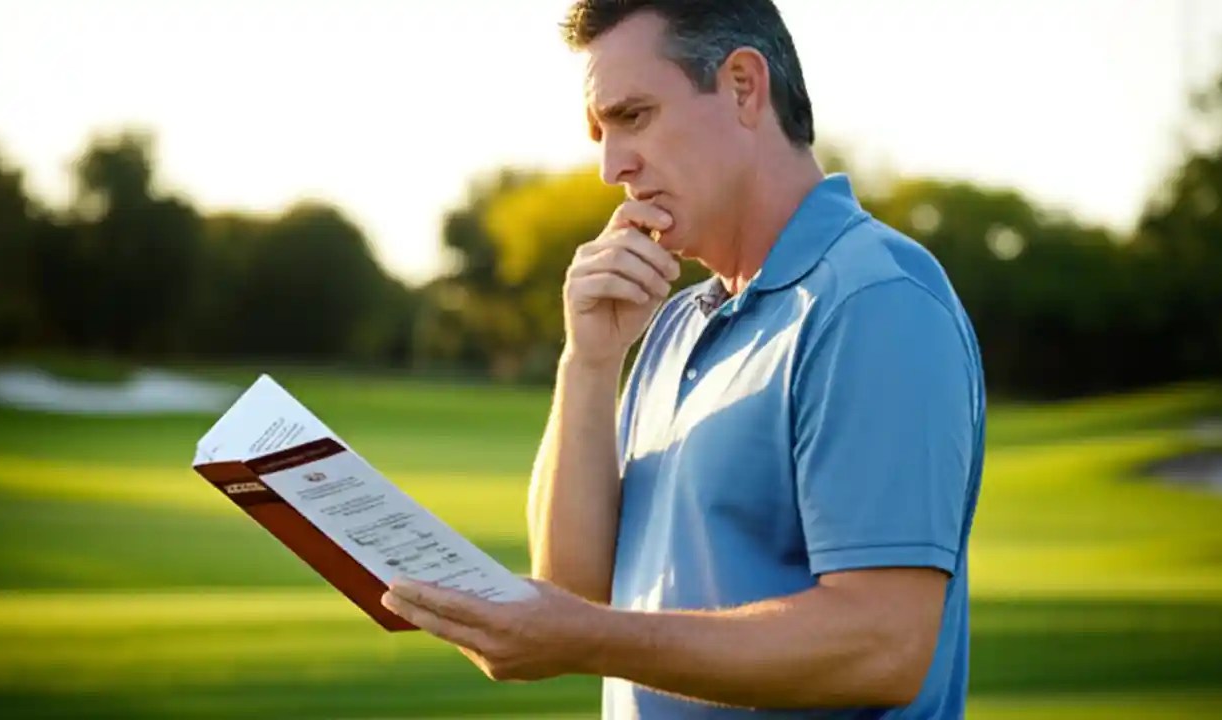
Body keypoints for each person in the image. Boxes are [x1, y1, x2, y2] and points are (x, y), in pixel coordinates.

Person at [381, 1, 986, 717]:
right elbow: (576, 588)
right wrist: (590, 362)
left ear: (741, 87)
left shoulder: (874, 300)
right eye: (600, 133)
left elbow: (882, 645)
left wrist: (587, 638)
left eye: (633, 116)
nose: (612, 167)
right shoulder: (671, 326)